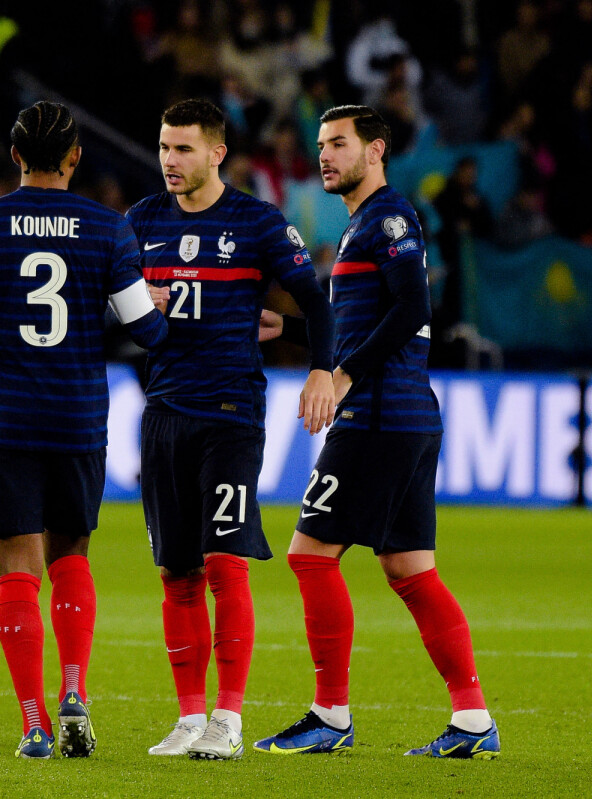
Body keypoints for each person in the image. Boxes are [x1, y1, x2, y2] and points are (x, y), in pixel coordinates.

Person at [0, 101, 167, 760]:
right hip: (79, 417)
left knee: (17, 572)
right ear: (76, 157)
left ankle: (33, 723)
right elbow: (148, 334)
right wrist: (157, 304)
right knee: (71, 558)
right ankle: (75, 691)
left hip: (6, 417)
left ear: (14, 155)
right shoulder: (109, 229)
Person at [254, 105, 500, 759]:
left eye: (339, 143)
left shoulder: (388, 217)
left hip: (378, 416)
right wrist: (296, 328)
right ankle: (473, 719)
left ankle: (330, 714)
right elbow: (371, 319)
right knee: (411, 569)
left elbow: (414, 308)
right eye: (321, 145)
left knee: (310, 555)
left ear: (377, 150)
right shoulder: (367, 222)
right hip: (408, 416)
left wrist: (342, 375)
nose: (326, 155)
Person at [125, 98, 336, 760]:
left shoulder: (255, 222)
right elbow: (100, 307)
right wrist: (133, 303)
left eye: (183, 148)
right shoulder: (140, 222)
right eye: (164, 146)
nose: (169, 160)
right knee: (175, 572)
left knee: (224, 563)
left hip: (230, 415)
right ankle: (189, 717)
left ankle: (229, 716)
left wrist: (320, 370)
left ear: (216, 154)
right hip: (163, 415)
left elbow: (315, 300)